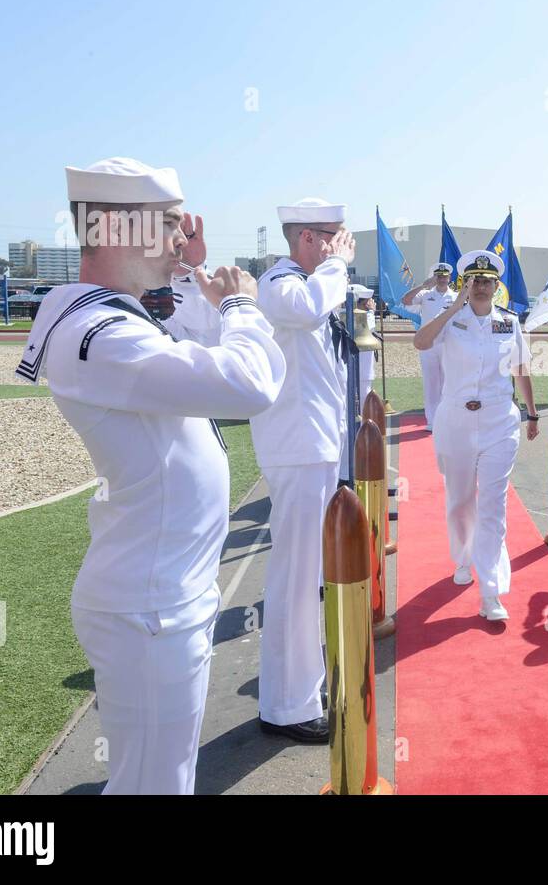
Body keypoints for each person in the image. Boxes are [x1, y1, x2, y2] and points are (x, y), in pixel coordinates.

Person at [17, 157, 286, 793]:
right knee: (154, 784)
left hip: (162, 592)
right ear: (112, 228)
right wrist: (243, 307)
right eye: (168, 224)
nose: (180, 236)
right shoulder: (100, 332)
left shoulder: (113, 315)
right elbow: (247, 383)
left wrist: (188, 267)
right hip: (150, 603)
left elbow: (188, 335)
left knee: (159, 777)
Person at [251, 197, 357, 742]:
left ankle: (299, 690)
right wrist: (336, 265)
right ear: (307, 239)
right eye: (336, 236)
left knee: (307, 577)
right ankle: (287, 706)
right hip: (295, 449)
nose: (344, 245)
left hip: (313, 447)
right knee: (295, 580)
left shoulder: (305, 284)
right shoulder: (282, 284)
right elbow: (310, 308)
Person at [412, 250, 539, 621]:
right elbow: (421, 343)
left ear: (497, 286)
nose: (481, 287)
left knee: (493, 507)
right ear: (463, 284)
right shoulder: (450, 320)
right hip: (456, 422)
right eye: (474, 281)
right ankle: (463, 557)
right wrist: (454, 307)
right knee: (460, 501)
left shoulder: (508, 323)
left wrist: (532, 413)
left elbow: (520, 368)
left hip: (500, 422)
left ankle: (490, 591)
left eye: (487, 281)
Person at [403, 263, 458, 433]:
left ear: (450, 277)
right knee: (431, 383)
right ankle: (432, 421)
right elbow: (405, 300)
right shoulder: (425, 295)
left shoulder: (456, 296)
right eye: (438, 276)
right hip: (429, 343)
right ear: (434, 277)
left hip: (449, 343)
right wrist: (423, 285)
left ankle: (447, 419)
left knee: (449, 383)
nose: (442, 279)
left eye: (444, 276)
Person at [350, 284, 380, 411]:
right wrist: (372, 312)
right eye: (367, 302)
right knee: (364, 389)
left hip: (356, 357)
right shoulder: (365, 315)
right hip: (362, 356)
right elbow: (369, 327)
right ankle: (363, 421)